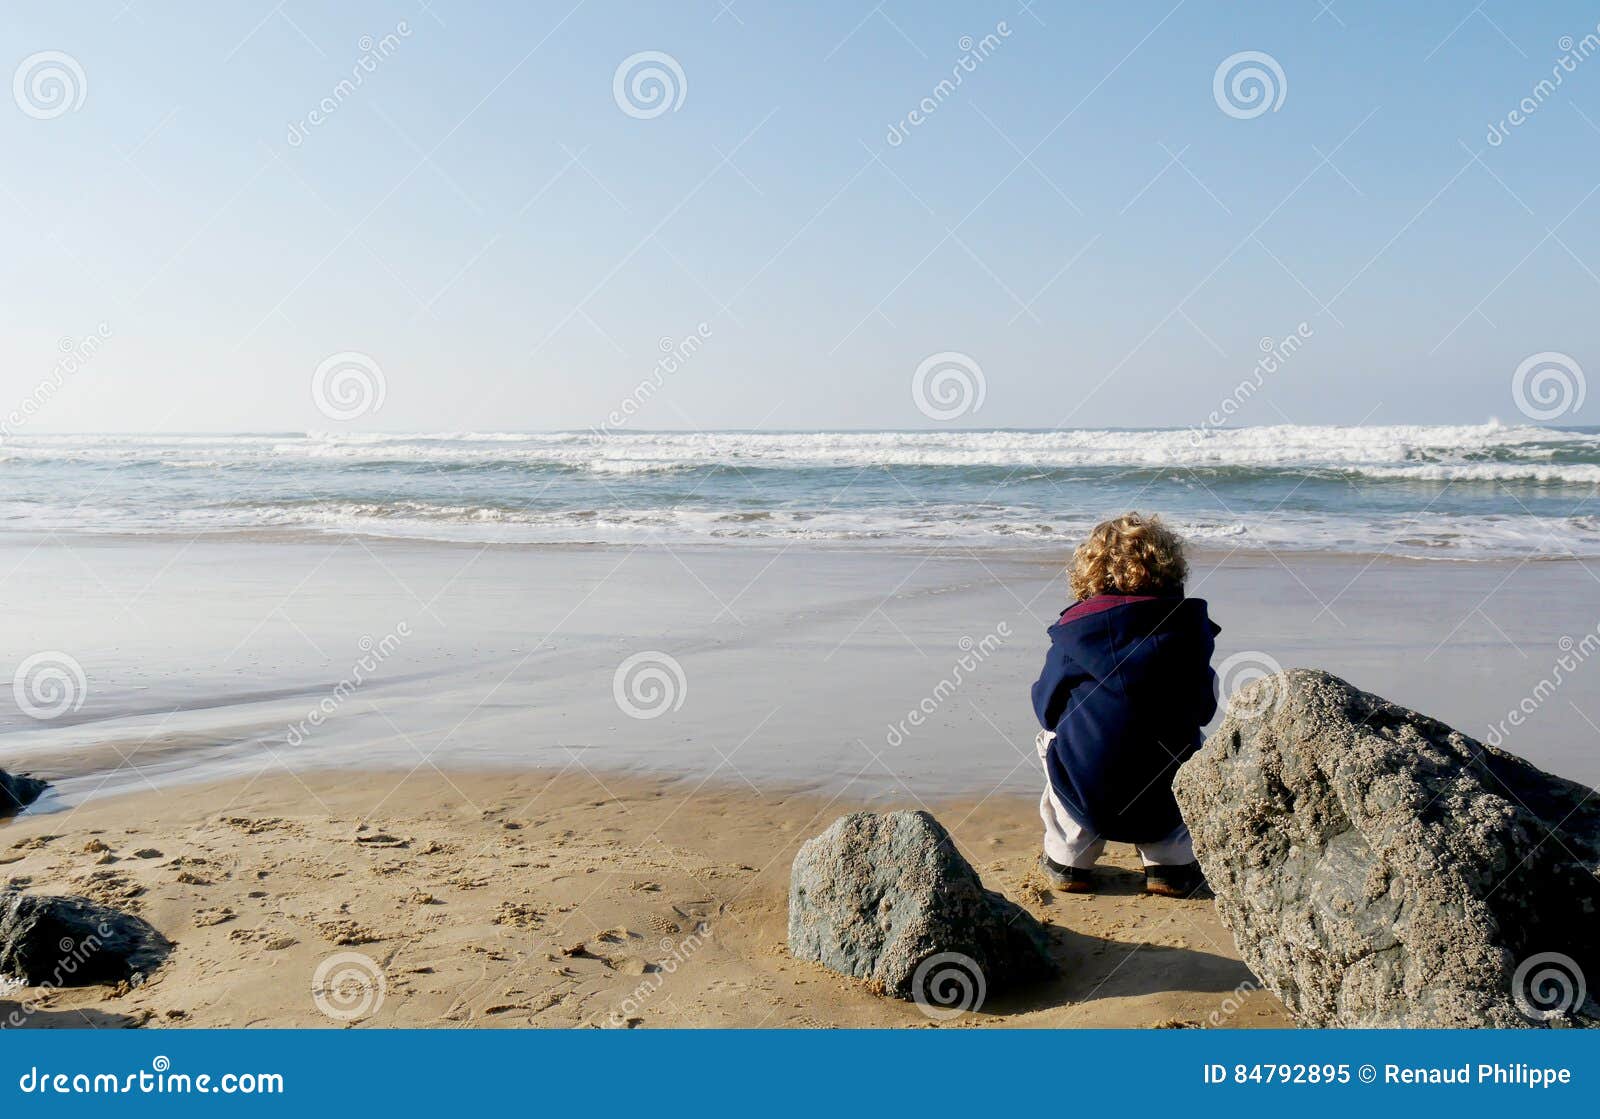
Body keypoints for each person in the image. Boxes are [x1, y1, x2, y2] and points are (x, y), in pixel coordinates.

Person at [1031, 513, 1218, 896]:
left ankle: (1070, 857)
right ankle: (1170, 863)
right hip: (1163, 799)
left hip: (1090, 792)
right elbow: (1204, 708)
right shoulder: (1187, 630)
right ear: (1168, 565)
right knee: (1191, 747)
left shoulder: (1075, 632)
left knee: (1053, 738)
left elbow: (1047, 706)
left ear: (1091, 569)